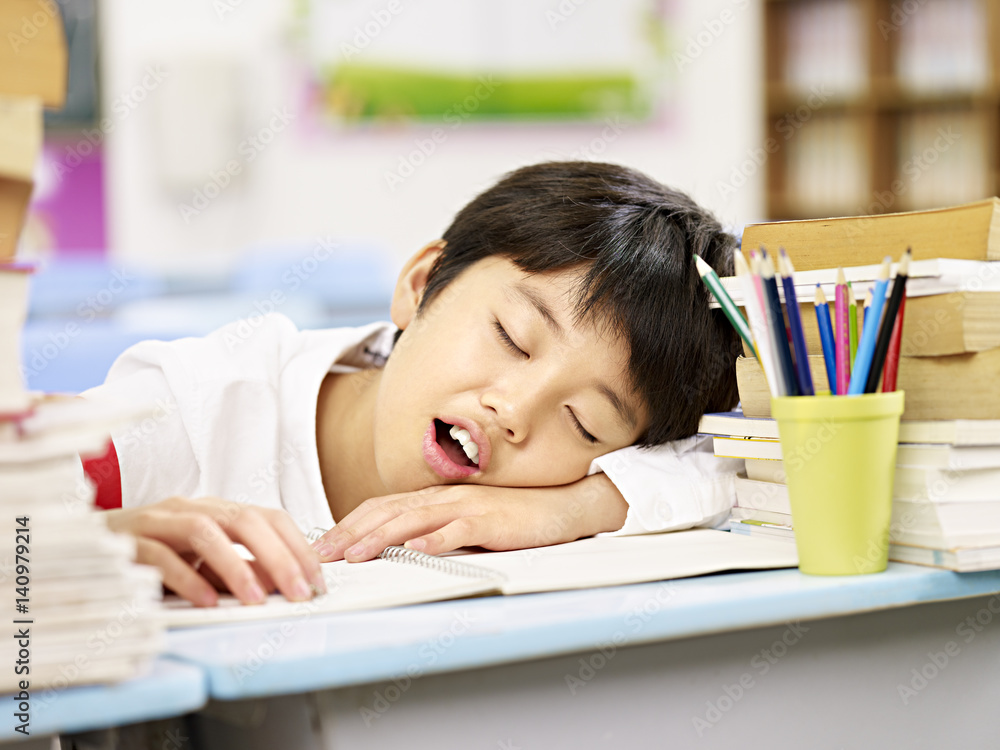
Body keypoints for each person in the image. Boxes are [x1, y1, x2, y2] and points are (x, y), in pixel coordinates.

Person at [82, 161, 743, 608]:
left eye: (583, 423)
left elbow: (769, 466)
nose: (512, 409)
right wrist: (81, 549)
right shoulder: (184, 412)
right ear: (421, 284)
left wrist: (570, 509)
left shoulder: (575, 493)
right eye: (512, 337)